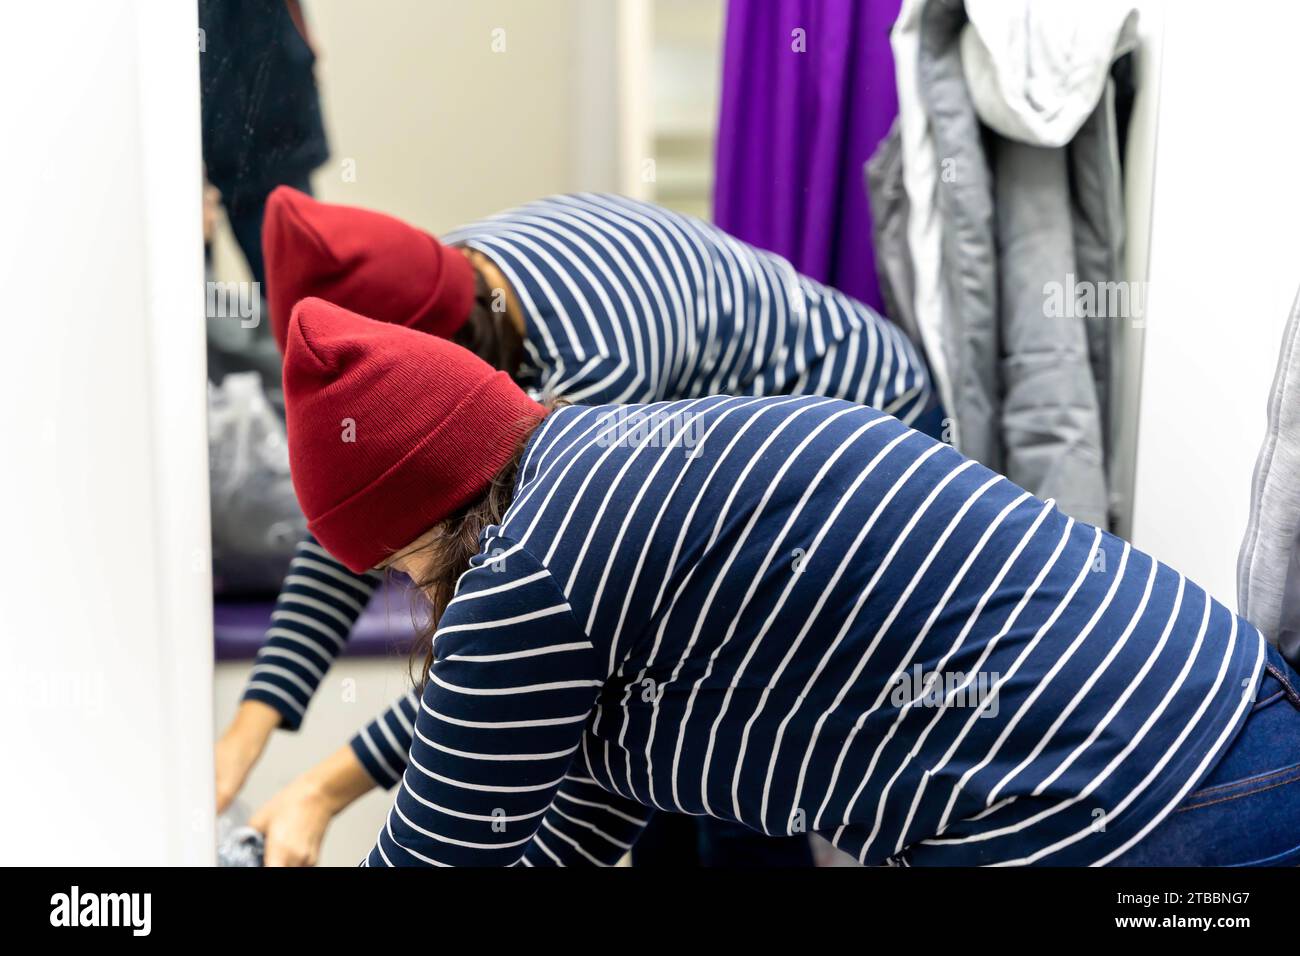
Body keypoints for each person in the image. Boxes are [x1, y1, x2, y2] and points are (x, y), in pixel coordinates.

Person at [278, 297, 1299, 867]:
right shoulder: (611, 465)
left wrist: (323, 796)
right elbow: (549, 827)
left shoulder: (527, 569)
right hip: (1235, 721)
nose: (415, 596)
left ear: (426, 518)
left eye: (398, 566)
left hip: (1126, 801)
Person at [218, 189, 941, 865]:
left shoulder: (596, 374)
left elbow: (510, 669)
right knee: (633, 749)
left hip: (867, 436)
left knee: (722, 759)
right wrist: (247, 733)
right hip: (776, 462)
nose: (401, 580)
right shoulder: (435, 283)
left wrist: (324, 787)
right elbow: (362, 520)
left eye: (400, 567)